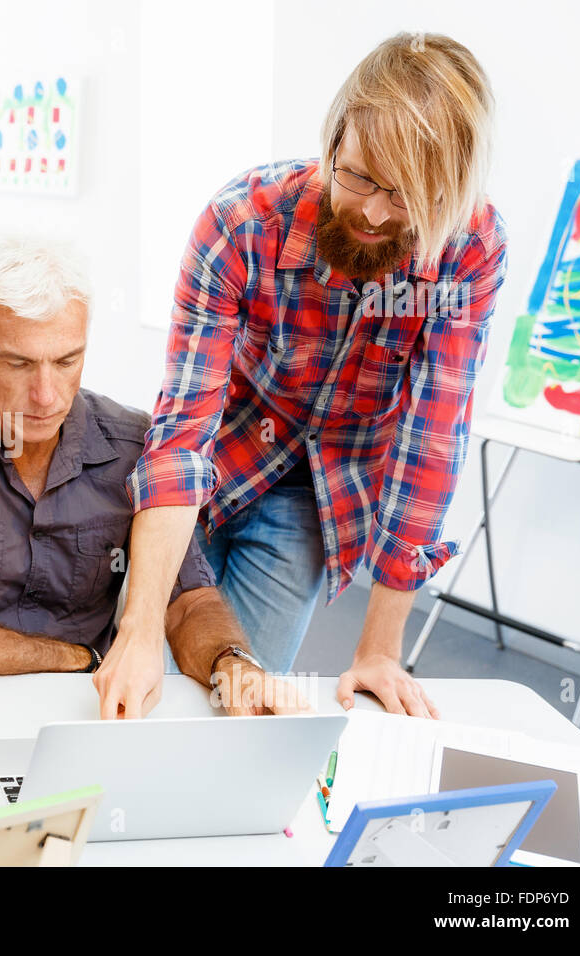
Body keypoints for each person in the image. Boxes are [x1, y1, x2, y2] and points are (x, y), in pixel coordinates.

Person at [98, 32, 507, 720]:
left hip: (321, 493)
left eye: (406, 195)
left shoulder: (470, 248)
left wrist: (378, 650)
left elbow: (430, 441)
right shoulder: (242, 221)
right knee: (137, 678)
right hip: (218, 455)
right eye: (359, 176)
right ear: (335, 137)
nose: (374, 212)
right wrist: (137, 633)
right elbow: (181, 433)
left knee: (239, 702)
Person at [0, 237, 307, 716]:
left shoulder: (133, 442)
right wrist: (75, 659)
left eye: (66, 360)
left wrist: (233, 663)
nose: (46, 395)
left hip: (78, 713)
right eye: (19, 363)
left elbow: (186, 603)